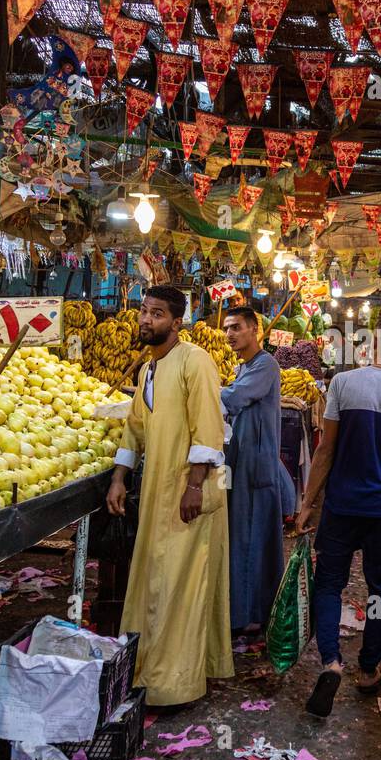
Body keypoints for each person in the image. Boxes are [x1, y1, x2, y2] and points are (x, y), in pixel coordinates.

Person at [296, 306, 381, 717]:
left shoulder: (343, 383)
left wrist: (306, 504)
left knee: (329, 585)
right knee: (378, 589)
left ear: (373, 342)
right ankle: (369, 667)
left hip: (340, 507)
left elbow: (325, 450)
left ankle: (332, 661)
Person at [106, 285, 233, 707]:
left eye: (157, 314)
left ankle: (176, 684)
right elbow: (135, 430)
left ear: (177, 323)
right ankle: (148, 670)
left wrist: (194, 485)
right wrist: (119, 478)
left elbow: (208, 429)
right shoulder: (147, 371)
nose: (146, 320)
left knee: (181, 586)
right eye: (144, 311)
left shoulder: (195, 362)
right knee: (154, 581)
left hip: (188, 493)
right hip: (157, 493)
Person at [220, 305, 296, 633]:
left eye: (236, 327)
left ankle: (248, 618)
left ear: (255, 329)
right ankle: (251, 612)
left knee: (251, 541)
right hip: (244, 465)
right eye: (226, 329)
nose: (230, 335)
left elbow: (236, 398)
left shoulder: (266, 365)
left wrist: (195, 390)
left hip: (256, 468)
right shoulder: (244, 367)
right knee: (247, 540)